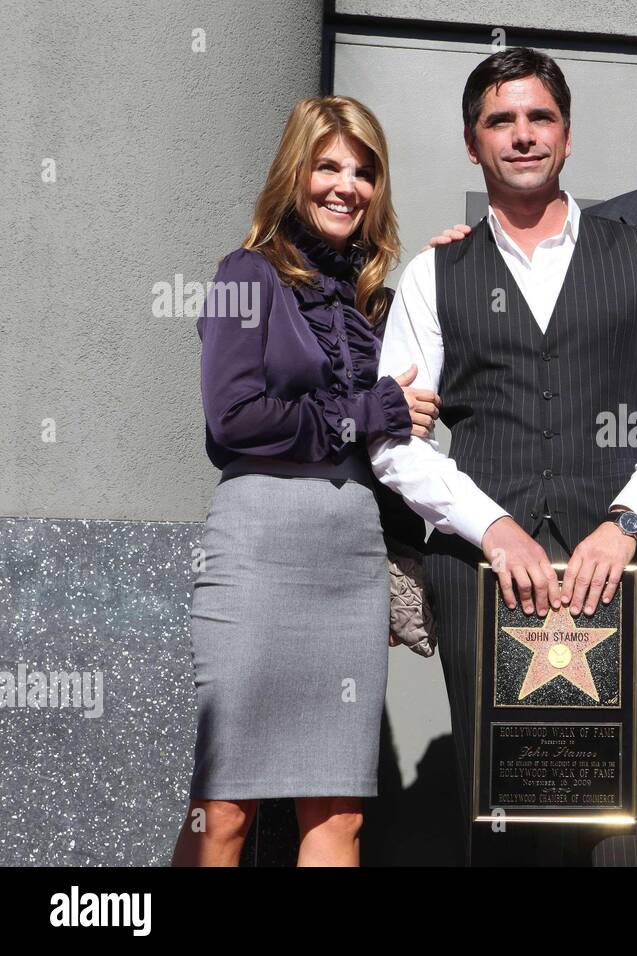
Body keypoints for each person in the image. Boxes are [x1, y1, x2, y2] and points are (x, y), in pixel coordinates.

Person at [369, 47, 637, 866]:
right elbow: (391, 437)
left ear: (566, 137)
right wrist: (492, 528)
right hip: (484, 579)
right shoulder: (435, 272)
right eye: (501, 120)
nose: (522, 136)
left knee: (623, 828)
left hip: (615, 574)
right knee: (506, 821)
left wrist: (624, 523)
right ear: (470, 141)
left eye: (539, 118)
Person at [172, 96, 437, 866]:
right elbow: (236, 419)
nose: (346, 186)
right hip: (257, 555)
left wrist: (461, 263)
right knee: (223, 812)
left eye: (364, 172)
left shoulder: (374, 302)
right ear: (296, 173)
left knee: (338, 817)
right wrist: (372, 409)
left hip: (348, 562)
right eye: (328, 166)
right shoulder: (243, 275)